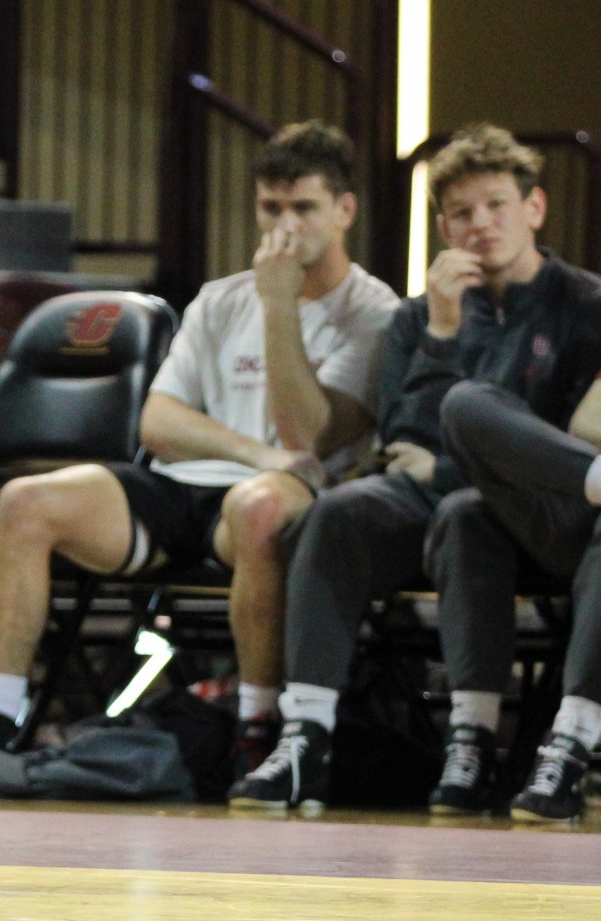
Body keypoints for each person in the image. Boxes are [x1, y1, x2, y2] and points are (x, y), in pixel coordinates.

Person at [0, 122, 397, 796]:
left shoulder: (374, 313)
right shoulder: (219, 298)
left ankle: (255, 725)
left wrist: (280, 303)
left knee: (259, 506)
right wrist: (250, 448)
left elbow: (308, 432)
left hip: (287, 498)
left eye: (304, 208)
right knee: (28, 502)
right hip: (184, 486)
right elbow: (159, 423)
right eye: (271, 207)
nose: (284, 226)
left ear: (345, 210)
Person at [232, 124, 601, 817]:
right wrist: (441, 328)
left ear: (536, 210)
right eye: (462, 213)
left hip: (547, 514)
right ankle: (304, 738)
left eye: (496, 205)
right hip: (447, 504)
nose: (480, 225)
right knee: (342, 511)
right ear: (441, 226)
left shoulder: (585, 306)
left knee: (471, 426)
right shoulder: (415, 318)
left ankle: (513, 743)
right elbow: (407, 440)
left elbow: (554, 443)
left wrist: (454, 461)